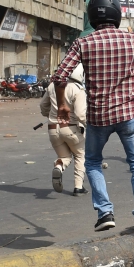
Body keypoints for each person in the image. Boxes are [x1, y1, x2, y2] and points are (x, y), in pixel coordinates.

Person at [53, 0, 134, 233]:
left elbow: (60, 76)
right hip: (128, 114)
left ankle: (105, 213)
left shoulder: (83, 43)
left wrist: (63, 103)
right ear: (117, 15)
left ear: (92, 17)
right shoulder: (133, 39)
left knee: (92, 161)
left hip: (99, 117)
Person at [40, 62, 87, 195]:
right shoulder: (78, 89)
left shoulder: (51, 86)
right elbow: (80, 114)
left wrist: (49, 115)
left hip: (53, 129)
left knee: (64, 156)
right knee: (80, 155)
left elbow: (43, 106)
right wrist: (89, 124)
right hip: (71, 129)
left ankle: (59, 166)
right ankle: (78, 187)